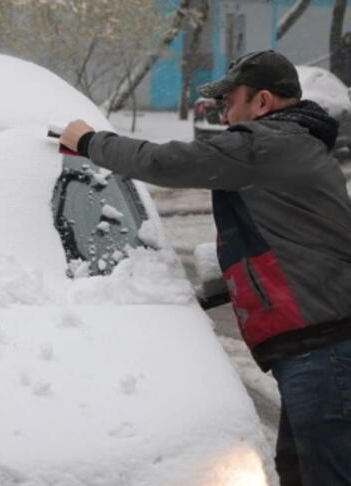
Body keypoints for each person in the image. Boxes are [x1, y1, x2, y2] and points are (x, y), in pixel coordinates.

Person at [59, 49, 351, 486]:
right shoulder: (298, 146)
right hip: (320, 346)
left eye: (228, 103)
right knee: (299, 469)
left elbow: (163, 162)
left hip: (320, 351)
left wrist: (87, 141)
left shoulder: (265, 145)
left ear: (263, 102)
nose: (224, 116)